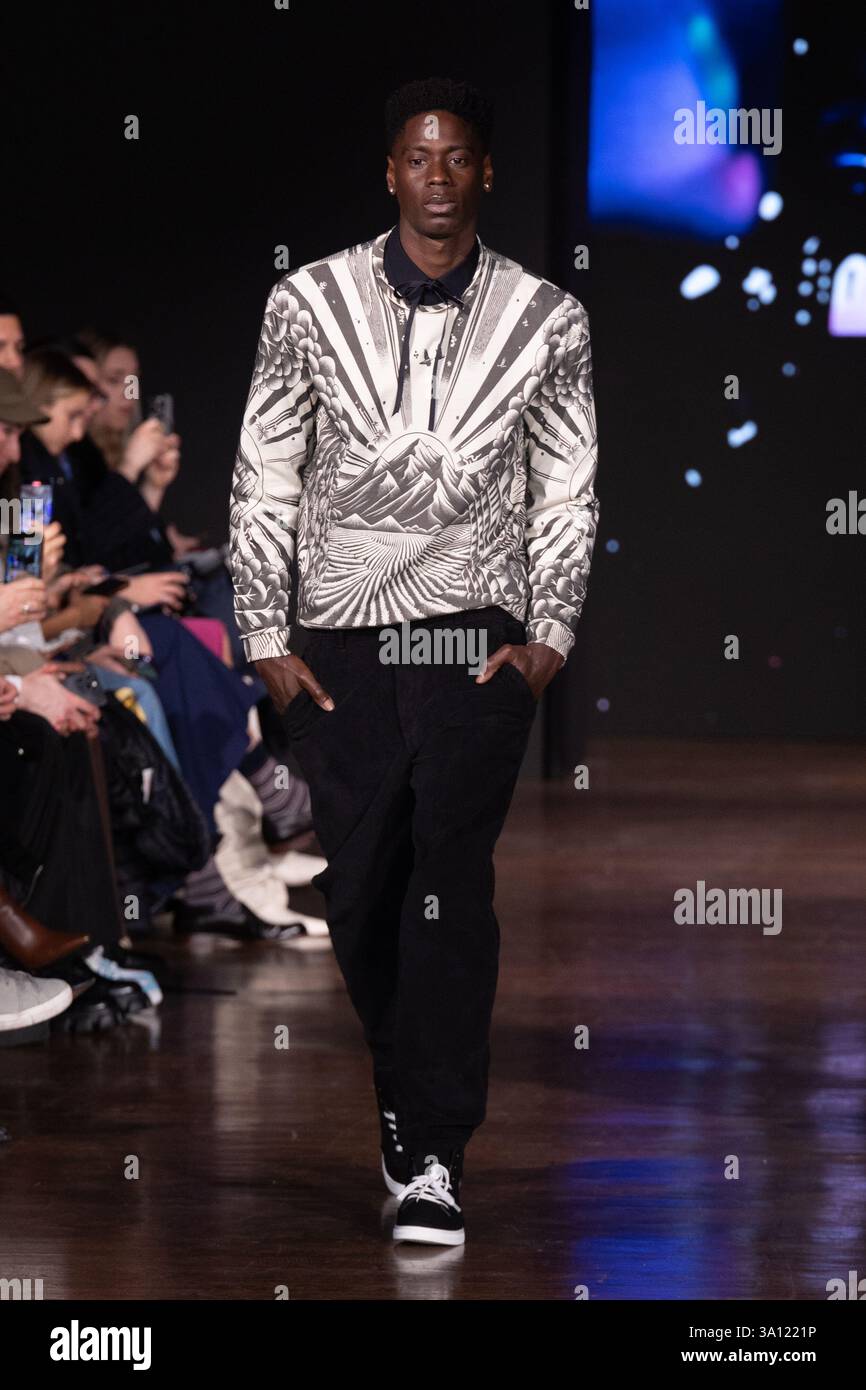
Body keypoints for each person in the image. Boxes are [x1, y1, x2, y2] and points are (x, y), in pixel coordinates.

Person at [229, 77, 599, 1245]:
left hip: (471, 635)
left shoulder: (547, 318)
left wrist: (546, 639)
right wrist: (264, 638)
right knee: (360, 889)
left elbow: (567, 487)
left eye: (456, 158)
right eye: (415, 157)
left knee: (448, 873)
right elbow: (265, 470)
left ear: (485, 173)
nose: (436, 176)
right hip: (335, 638)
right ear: (387, 171)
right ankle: (405, 1103)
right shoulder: (306, 299)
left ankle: (434, 1149)